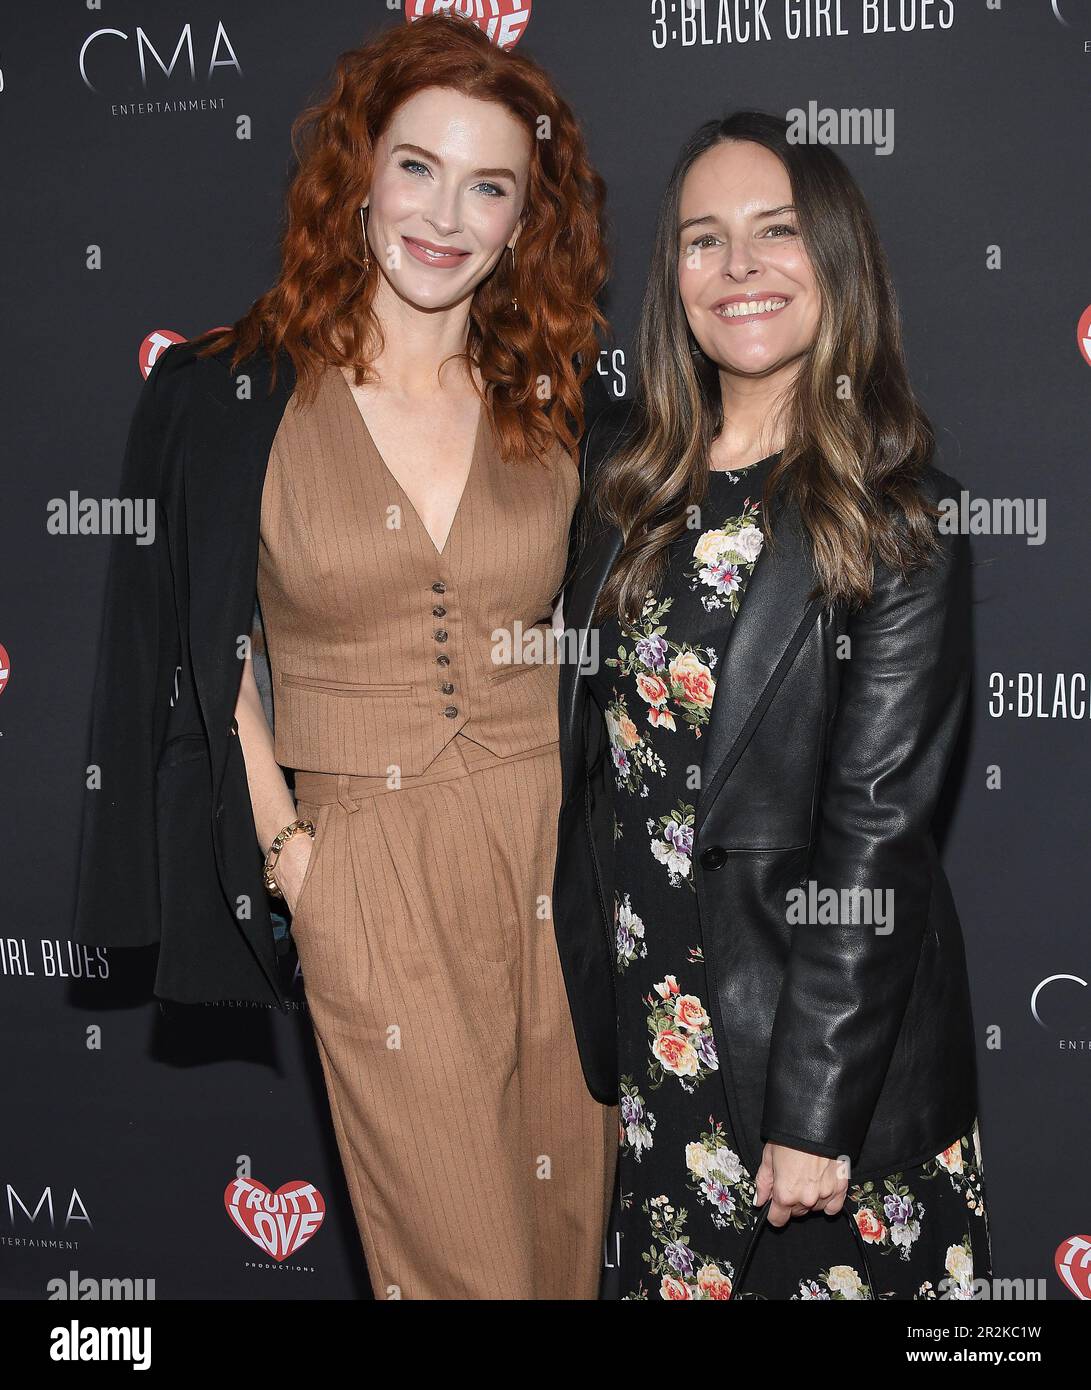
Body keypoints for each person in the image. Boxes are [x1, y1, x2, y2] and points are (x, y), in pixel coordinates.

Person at [74, 15, 617, 1300]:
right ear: (358, 169)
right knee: (459, 1275)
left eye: (490, 184)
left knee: (558, 1261)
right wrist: (291, 856)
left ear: (523, 215)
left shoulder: (565, 398)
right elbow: (197, 660)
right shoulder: (225, 395)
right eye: (417, 165)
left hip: (565, 867)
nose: (445, 214)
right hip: (362, 860)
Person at [551, 111, 992, 1300]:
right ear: (673, 277)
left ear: (835, 258)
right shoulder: (623, 485)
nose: (736, 267)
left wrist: (812, 1110)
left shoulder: (896, 516)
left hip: (817, 1079)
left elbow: (876, 834)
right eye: (702, 240)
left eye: (774, 232)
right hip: (660, 1062)